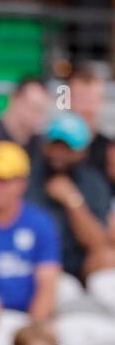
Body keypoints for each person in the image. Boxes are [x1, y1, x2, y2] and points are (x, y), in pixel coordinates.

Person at [0, 141, 61, 319]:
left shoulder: (41, 222)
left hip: (26, 317)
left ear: (22, 183)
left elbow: (47, 284)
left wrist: (32, 329)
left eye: (3, 180)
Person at [28, 112, 115, 281]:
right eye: (55, 145)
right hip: (35, 262)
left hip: (78, 263)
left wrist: (72, 199)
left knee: (108, 257)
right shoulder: (28, 178)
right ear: (46, 145)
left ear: (82, 152)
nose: (59, 153)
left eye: (68, 148)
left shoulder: (93, 182)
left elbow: (98, 243)